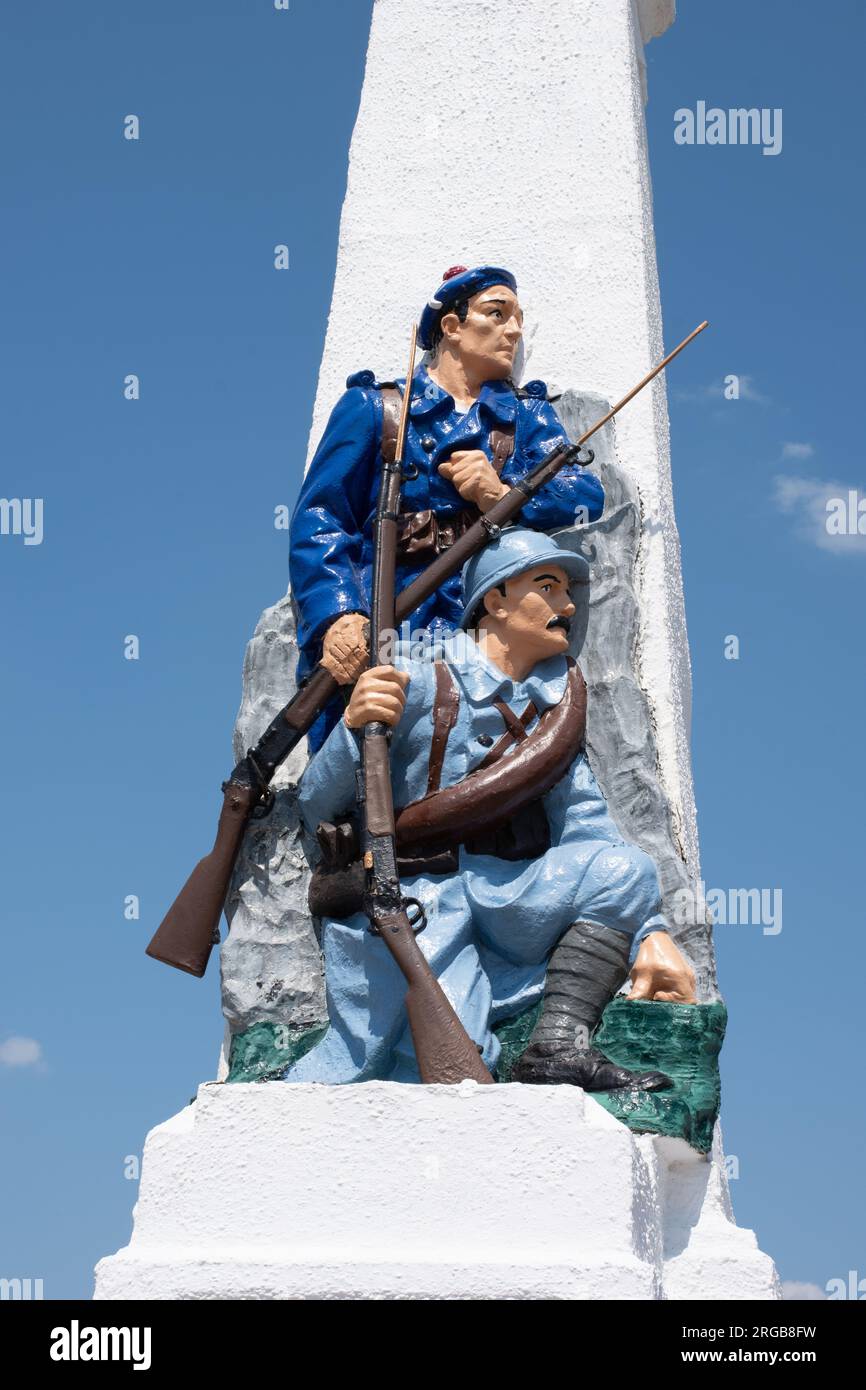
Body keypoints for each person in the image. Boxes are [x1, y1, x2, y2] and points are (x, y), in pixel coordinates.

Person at [281, 528, 696, 1089]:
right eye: (546, 587)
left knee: (625, 870)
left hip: (505, 893)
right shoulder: (420, 678)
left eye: (566, 592)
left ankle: (557, 1047)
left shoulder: (553, 708)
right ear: (495, 599)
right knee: (450, 1070)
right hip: (418, 895)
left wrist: (650, 929)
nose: (567, 606)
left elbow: (587, 825)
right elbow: (317, 806)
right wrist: (354, 730)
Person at [288, 264, 604, 749]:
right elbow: (323, 517)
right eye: (496, 314)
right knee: (368, 743)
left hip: (484, 614)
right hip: (389, 606)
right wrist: (338, 615)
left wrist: (499, 493)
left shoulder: (527, 415)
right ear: (452, 326)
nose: (513, 330)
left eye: (517, 318)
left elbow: (585, 495)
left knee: (485, 743)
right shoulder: (379, 408)